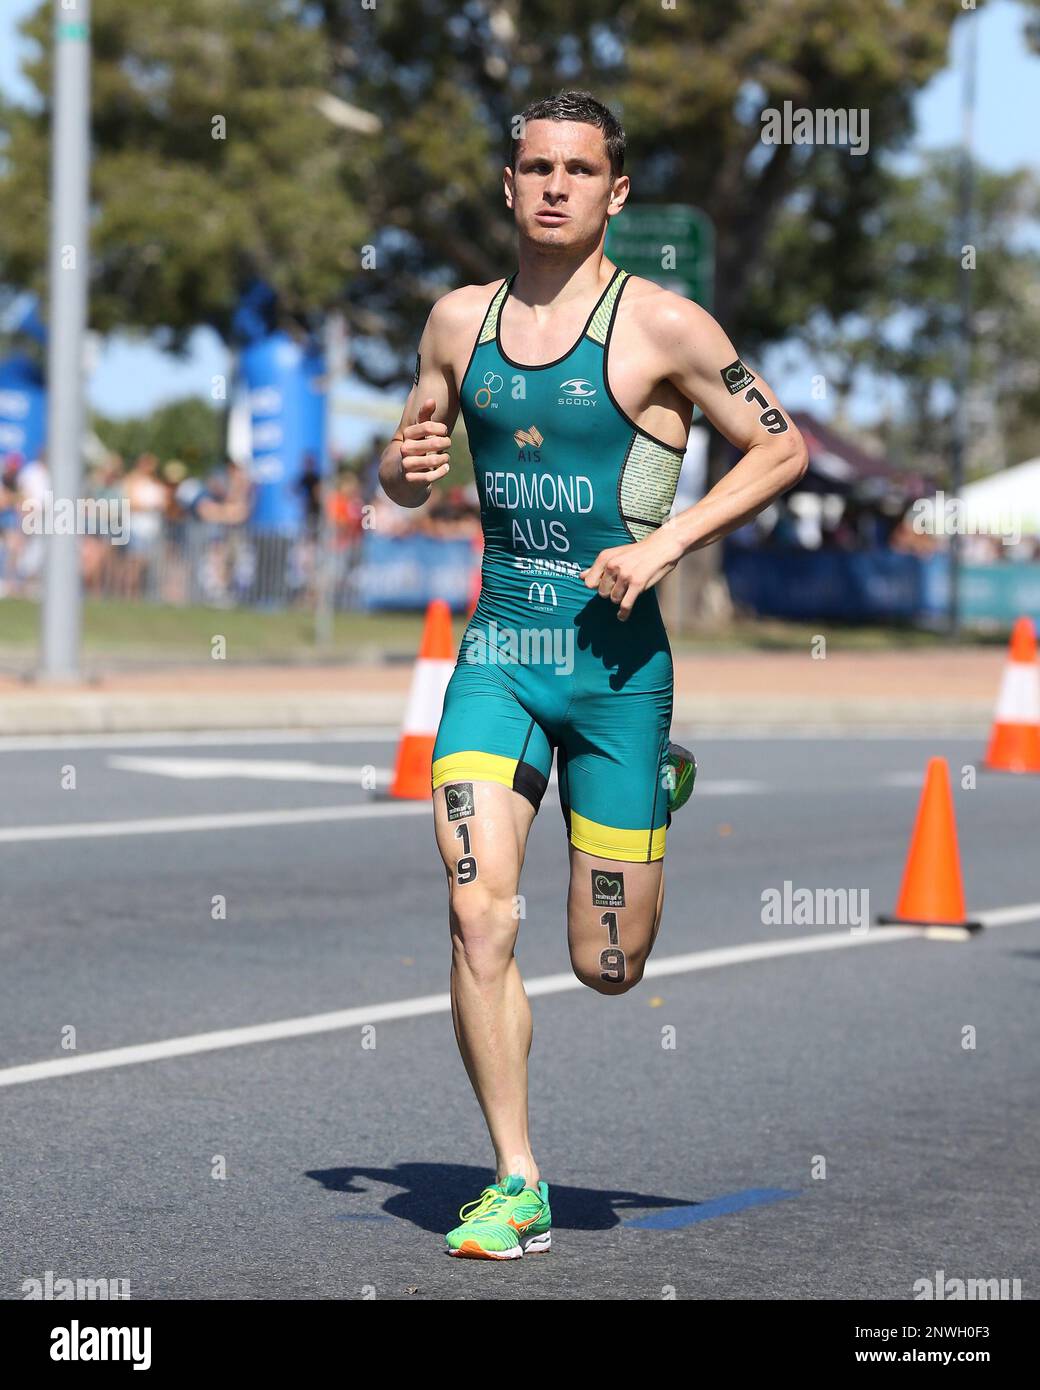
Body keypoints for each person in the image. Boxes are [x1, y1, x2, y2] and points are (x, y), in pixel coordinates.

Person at [378, 90, 807, 1260]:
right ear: (508, 184)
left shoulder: (665, 327)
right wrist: (400, 467)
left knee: (605, 966)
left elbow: (783, 446)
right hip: (498, 662)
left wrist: (667, 541)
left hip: (619, 677)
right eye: (533, 167)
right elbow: (408, 474)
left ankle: (647, 791)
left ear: (615, 192)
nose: (553, 185)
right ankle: (515, 1178)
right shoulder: (454, 324)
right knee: (477, 914)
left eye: (577, 168)